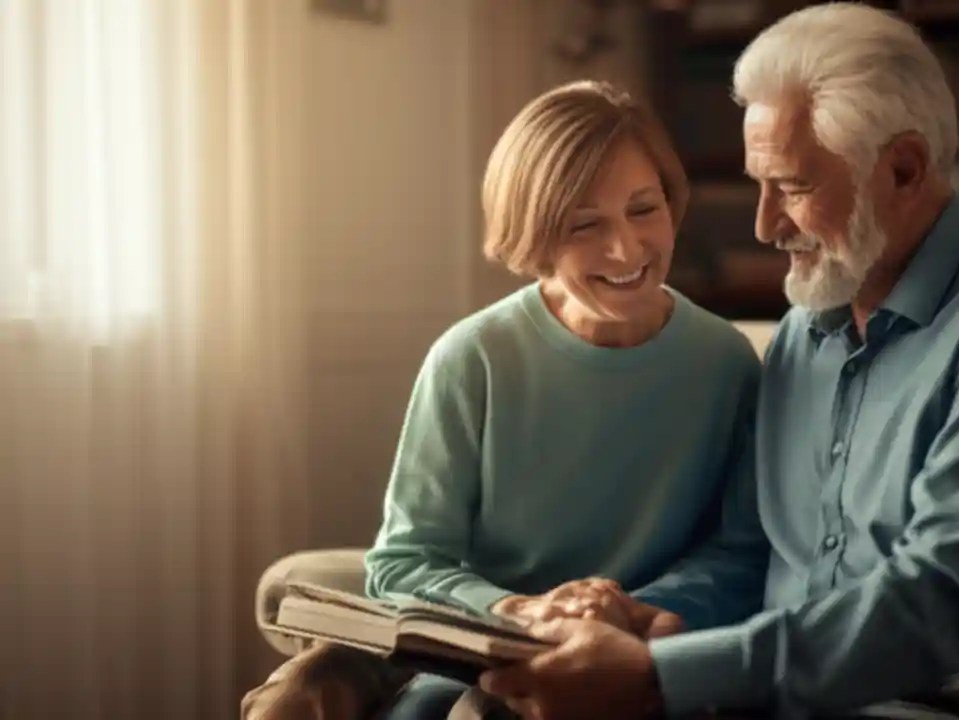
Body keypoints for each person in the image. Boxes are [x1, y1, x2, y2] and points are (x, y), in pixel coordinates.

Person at [478, 5, 959, 719]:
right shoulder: (801, 334)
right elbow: (747, 557)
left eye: (791, 187)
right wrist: (634, 620)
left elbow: (939, 599)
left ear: (905, 169)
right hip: (781, 700)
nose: (765, 225)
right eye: (758, 185)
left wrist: (662, 675)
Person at [240, 80, 766, 720]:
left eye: (643, 209)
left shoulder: (726, 365)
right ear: (536, 235)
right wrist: (523, 610)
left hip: (626, 652)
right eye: (585, 225)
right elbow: (406, 561)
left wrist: (622, 610)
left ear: (673, 200)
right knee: (309, 698)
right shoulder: (472, 358)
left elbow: (739, 555)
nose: (626, 249)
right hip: (477, 634)